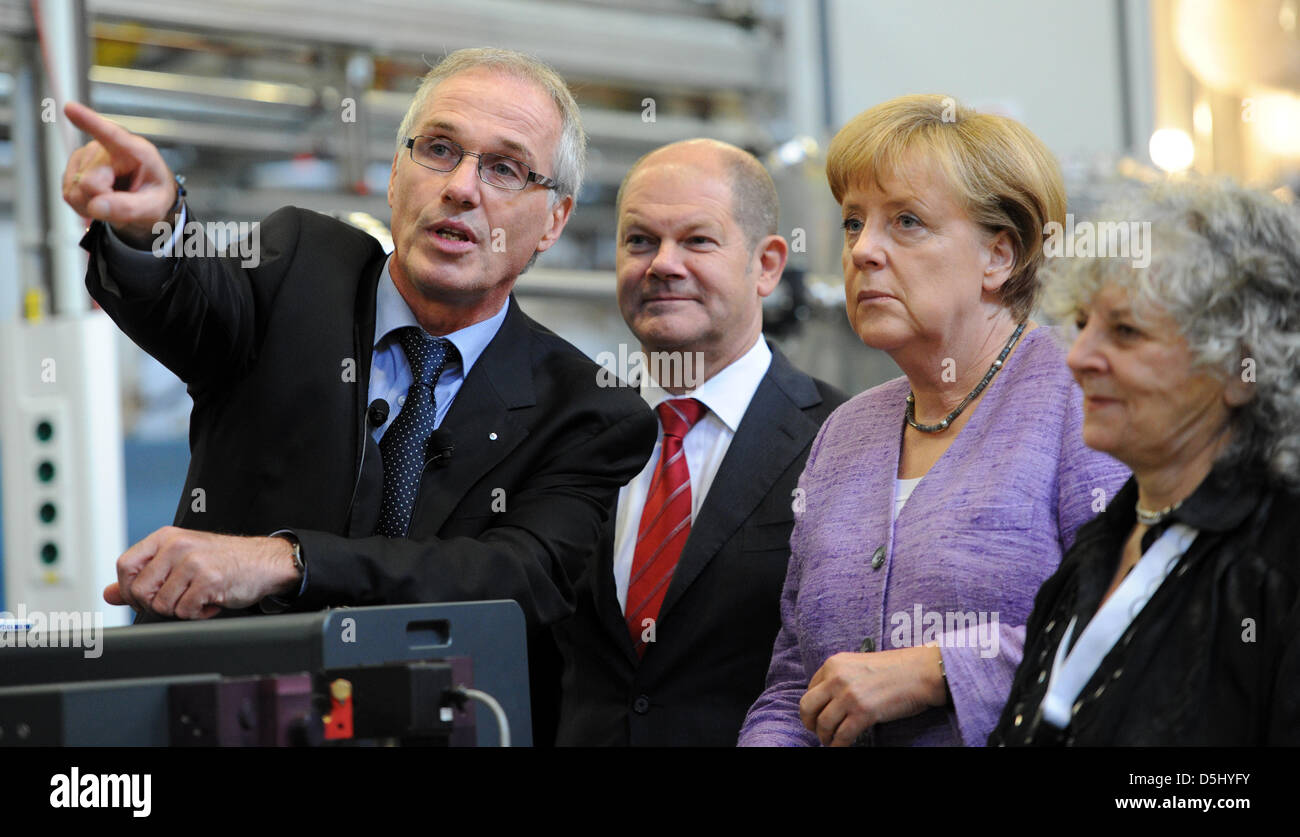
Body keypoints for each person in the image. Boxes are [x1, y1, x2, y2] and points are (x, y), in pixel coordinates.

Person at [60, 47, 657, 744]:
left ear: (554, 220)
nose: (462, 187)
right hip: (208, 717)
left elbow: (513, 578)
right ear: (396, 173)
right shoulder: (296, 267)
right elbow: (189, 300)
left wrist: (285, 560)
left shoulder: (587, 410)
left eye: (504, 168)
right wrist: (150, 226)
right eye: (439, 148)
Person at [737, 95, 1130, 747]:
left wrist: (938, 670)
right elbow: (795, 683)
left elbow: (1133, 622)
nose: (864, 251)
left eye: (907, 222)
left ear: (998, 256)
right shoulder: (844, 431)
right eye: (854, 223)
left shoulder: (1082, 395)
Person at [553, 139, 846, 746]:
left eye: (697, 240)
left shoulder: (841, 440)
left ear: (766, 265)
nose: (662, 263)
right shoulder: (572, 432)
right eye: (640, 241)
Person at [990, 180, 1300, 745]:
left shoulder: (1279, 564)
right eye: (1083, 324)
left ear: (1239, 368)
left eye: (1126, 332)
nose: (1079, 357)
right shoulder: (1098, 547)